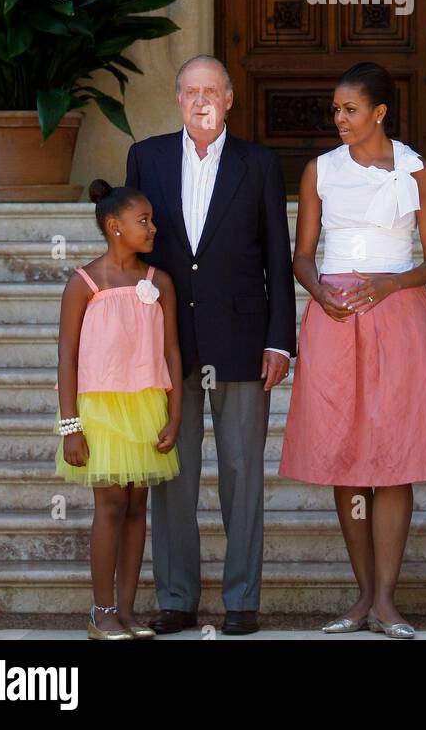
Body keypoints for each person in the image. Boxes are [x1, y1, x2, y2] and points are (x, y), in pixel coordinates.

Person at [279, 62, 426, 638]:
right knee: (346, 456)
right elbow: (302, 254)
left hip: (397, 312)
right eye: (336, 110)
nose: (340, 119)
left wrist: (390, 283)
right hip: (333, 316)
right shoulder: (319, 171)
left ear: (379, 112)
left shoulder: (417, 171)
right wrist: (320, 292)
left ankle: (386, 600)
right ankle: (360, 598)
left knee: (395, 455)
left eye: (350, 109)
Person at [125, 55, 295, 636]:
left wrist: (280, 340)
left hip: (242, 341)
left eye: (212, 91)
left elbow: (277, 255)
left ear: (228, 100)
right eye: (190, 91)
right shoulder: (145, 157)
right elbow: (133, 255)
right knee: (171, 475)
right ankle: (176, 599)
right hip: (166, 345)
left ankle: (242, 602)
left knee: (243, 474)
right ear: (178, 100)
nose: (201, 100)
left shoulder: (259, 163)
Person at [55, 179, 181, 640]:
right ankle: (100, 610)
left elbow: (172, 354)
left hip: (145, 406)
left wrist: (175, 414)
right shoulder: (83, 284)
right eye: (143, 221)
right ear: (114, 227)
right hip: (99, 411)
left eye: (151, 220)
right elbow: (67, 357)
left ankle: (127, 611)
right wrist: (71, 426)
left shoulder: (158, 282)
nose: (153, 228)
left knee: (136, 506)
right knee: (109, 505)